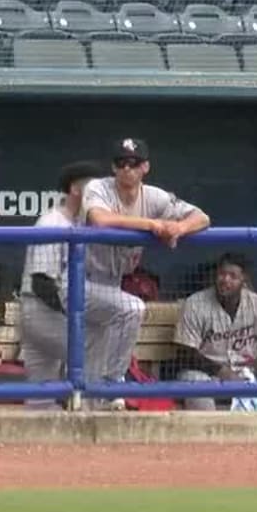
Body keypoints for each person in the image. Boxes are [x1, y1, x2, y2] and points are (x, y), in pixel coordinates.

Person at [81, 138, 210, 409]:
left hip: (109, 289)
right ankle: (114, 382)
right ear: (113, 167)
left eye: (134, 163)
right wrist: (152, 224)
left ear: (145, 167)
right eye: (121, 163)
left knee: (88, 371)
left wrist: (179, 228)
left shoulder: (154, 197)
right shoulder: (98, 187)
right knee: (132, 308)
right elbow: (100, 220)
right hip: (77, 282)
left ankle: (96, 402)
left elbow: (202, 217)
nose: (127, 169)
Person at [17, 161, 104, 410]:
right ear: (75, 189)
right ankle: (90, 417)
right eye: (93, 187)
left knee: (40, 394)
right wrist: (75, 314)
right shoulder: (52, 222)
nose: (99, 193)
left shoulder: (83, 224)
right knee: (90, 354)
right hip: (42, 310)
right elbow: (41, 283)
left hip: (49, 311)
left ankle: (46, 427)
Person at [173, 253, 257, 411]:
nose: (225, 280)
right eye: (222, 274)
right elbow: (185, 353)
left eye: (233, 276)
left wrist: (250, 371)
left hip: (249, 378)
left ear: (244, 280)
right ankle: (210, 428)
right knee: (195, 383)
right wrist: (221, 371)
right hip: (209, 377)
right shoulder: (195, 303)